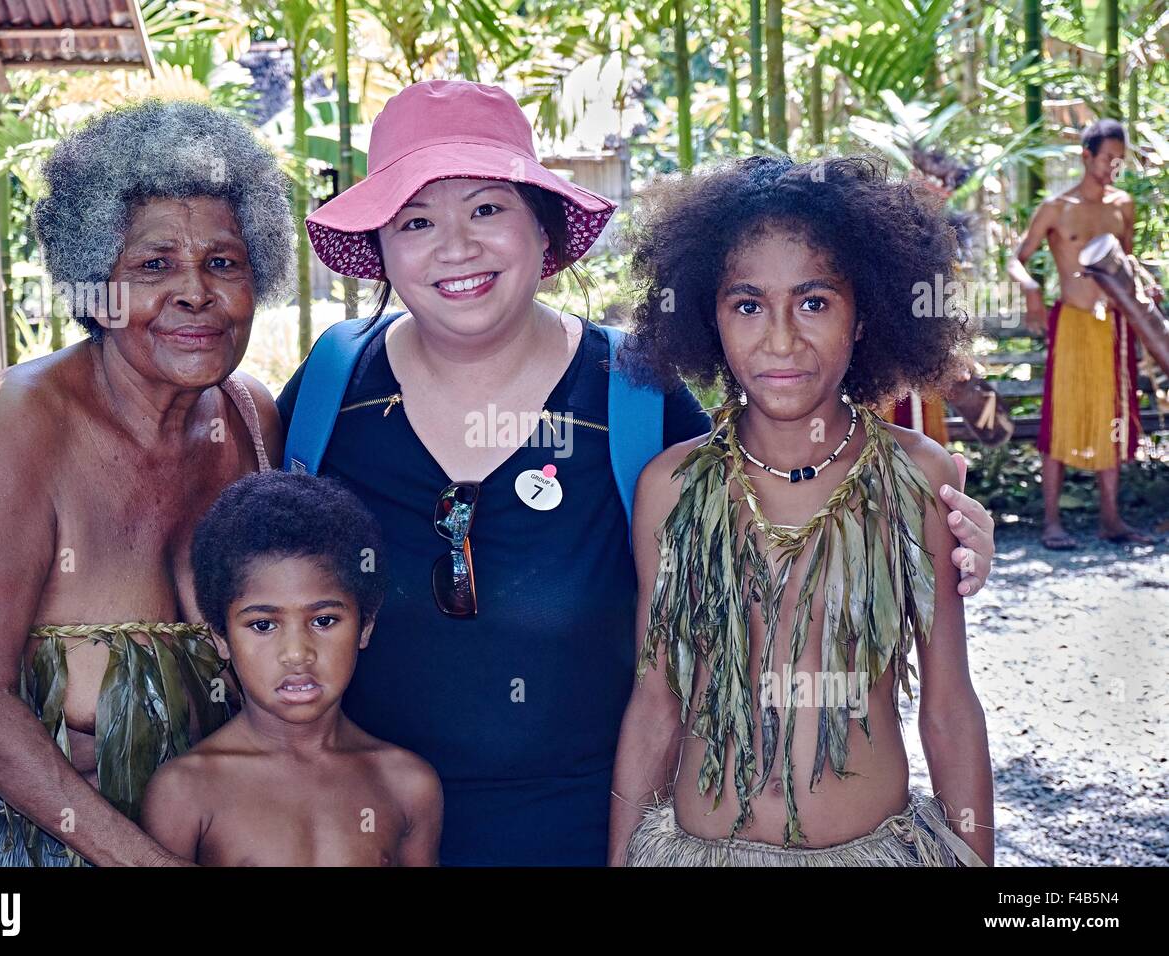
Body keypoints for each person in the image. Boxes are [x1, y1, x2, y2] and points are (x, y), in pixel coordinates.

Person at [276, 79, 999, 865]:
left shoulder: (640, 403)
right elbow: (239, 565)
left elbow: (784, 525)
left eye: (487, 209)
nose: (456, 246)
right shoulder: (327, 393)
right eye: (416, 221)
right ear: (381, 245)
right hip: (368, 838)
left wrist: (952, 533)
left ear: (541, 229)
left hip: (585, 836)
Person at [0, 99, 292, 866]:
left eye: (223, 263)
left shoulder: (250, 418)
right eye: (153, 266)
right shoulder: (17, 425)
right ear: (95, 283)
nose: (195, 293)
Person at [609, 156, 994, 867]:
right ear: (708, 316)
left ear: (865, 315)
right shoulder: (671, 486)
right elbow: (655, 704)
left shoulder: (918, 478)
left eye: (814, 302)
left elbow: (948, 708)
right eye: (747, 305)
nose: (781, 340)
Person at [141, 471, 442, 865]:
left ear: (365, 625)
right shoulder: (186, 793)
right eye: (263, 625)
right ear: (220, 637)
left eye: (324, 621)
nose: (297, 654)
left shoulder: (407, 785)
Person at [1009, 119, 1161, 549]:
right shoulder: (1058, 207)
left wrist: (1144, 285)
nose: (1113, 165)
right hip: (1072, 321)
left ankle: (1111, 519)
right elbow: (1016, 258)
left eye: (1119, 159)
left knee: (1112, 415)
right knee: (1061, 414)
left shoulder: (1123, 206)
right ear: (1086, 156)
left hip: (1113, 326)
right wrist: (1032, 289)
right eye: (1107, 157)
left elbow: (1125, 265)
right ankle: (1052, 523)